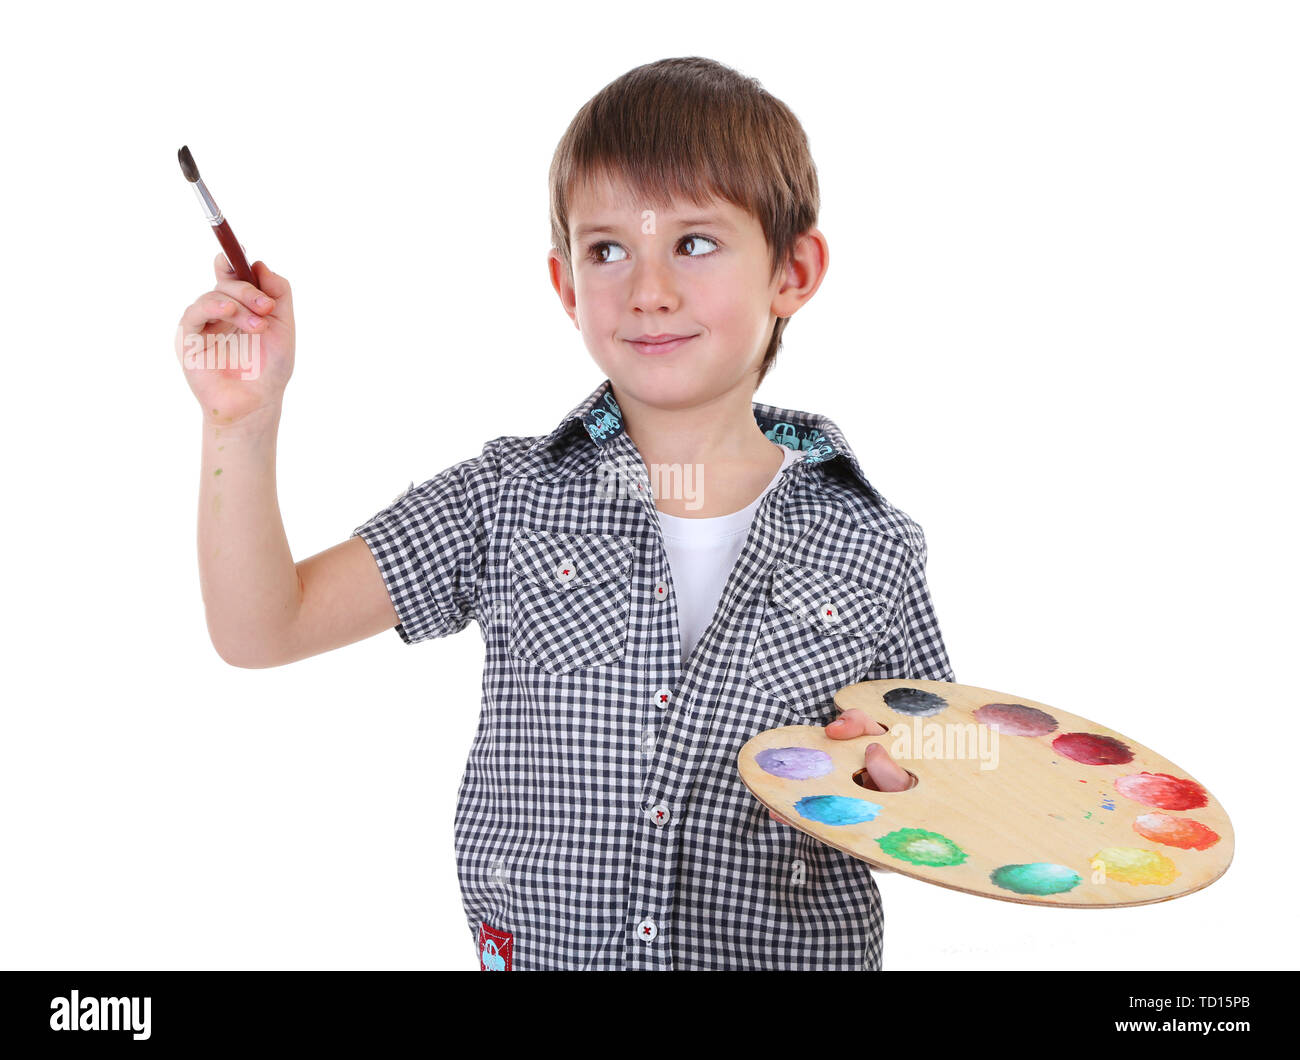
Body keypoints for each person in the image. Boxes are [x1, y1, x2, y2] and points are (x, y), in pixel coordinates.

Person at [174, 56, 954, 971]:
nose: (648, 289)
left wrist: (895, 784)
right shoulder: (505, 499)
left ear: (794, 270)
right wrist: (242, 421)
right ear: (564, 285)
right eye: (608, 249)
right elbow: (263, 627)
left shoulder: (875, 545)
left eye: (695, 243)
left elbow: (937, 795)